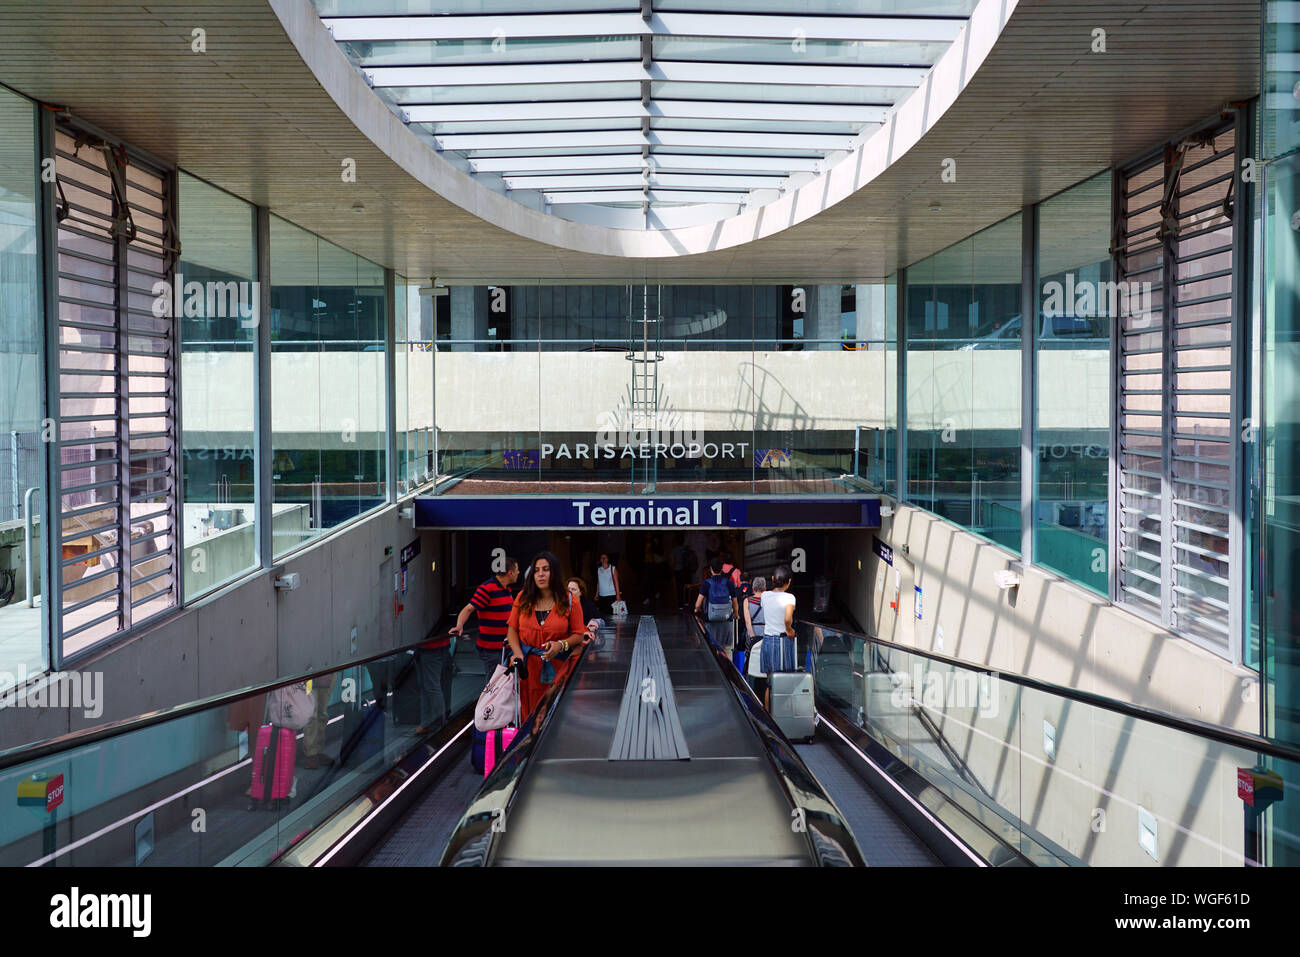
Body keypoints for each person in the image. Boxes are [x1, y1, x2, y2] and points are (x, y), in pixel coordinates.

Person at [505, 552, 589, 720]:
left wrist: (561, 644)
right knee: (528, 715)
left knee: (555, 716)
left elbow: (579, 635)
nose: (540, 574)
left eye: (546, 569)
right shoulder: (523, 597)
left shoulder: (570, 600)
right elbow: (512, 630)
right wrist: (517, 653)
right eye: (536, 570)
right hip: (528, 670)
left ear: (555, 572)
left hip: (560, 668)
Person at [448, 557, 520, 686]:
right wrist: (459, 625)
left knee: (502, 685)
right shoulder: (487, 588)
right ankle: (488, 707)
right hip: (492, 651)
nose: (518, 573)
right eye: (517, 570)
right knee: (493, 686)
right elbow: (469, 609)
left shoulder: (506, 590)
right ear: (510, 573)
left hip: (504, 648)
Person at [759, 564, 797, 711]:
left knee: (770, 682)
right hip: (781, 643)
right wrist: (789, 629)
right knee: (784, 681)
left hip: (767, 641)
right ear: (789, 581)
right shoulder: (789, 597)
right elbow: (788, 618)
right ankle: (783, 715)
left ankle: (769, 716)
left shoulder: (765, 595)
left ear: (773, 579)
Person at [694, 557, 739, 654]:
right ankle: (728, 668)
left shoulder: (706, 583)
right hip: (727, 623)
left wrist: (697, 610)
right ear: (722, 569)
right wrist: (736, 614)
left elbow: (698, 604)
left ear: (710, 569)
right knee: (727, 650)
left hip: (711, 623)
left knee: (712, 650)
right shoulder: (729, 583)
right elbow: (735, 603)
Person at [595, 552, 622, 617]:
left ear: (608, 559)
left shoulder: (613, 568)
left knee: (612, 615)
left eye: (605, 557)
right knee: (603, 614)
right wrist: (596, 593)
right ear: (600, 559)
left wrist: (618, 595)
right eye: (602, 558)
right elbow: (598, 582)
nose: (603, 559)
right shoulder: (599, 569)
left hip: (611, 595)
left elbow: (616, 582)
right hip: (602, 595)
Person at [743, 575, 767, 646]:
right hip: (766, 633)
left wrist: (752, 637)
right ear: (765, 588)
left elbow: (747, 622)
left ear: (753, 588)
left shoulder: (747, 601)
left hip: (752, 632)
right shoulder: (768, 600)